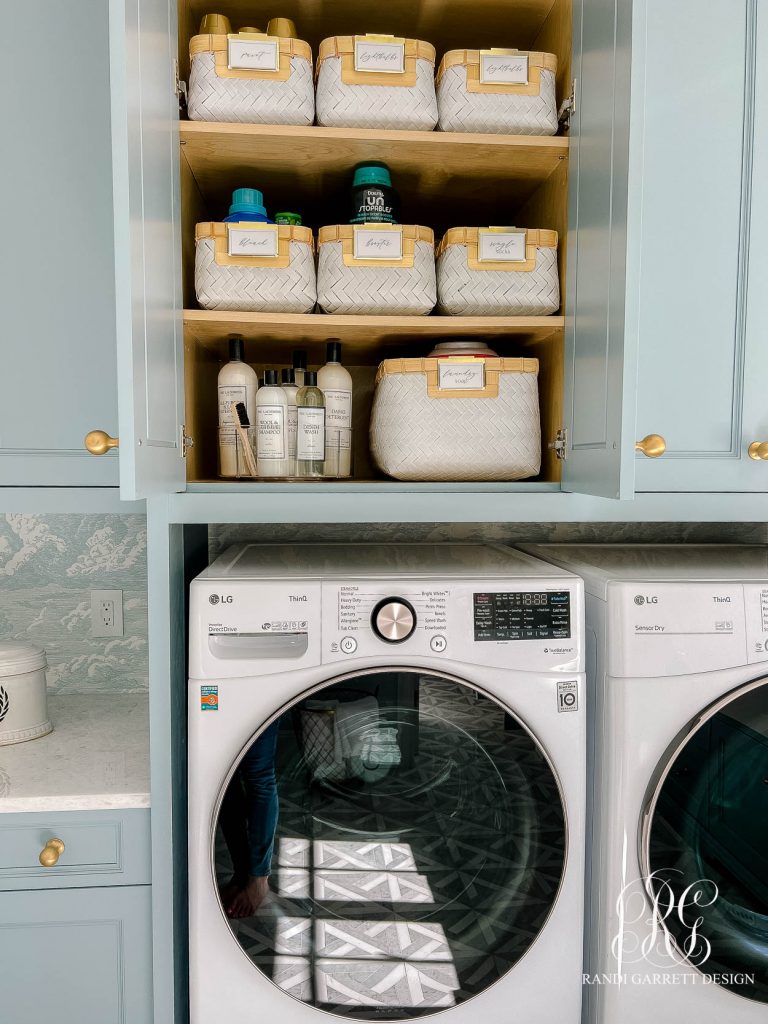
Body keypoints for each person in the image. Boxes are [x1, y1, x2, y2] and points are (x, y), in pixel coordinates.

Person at [218, 719, 280, 918]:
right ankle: (242, 872)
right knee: (224, 778)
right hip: (220, 691)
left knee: (259, 776)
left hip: (259, 688)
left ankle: (258, 879)